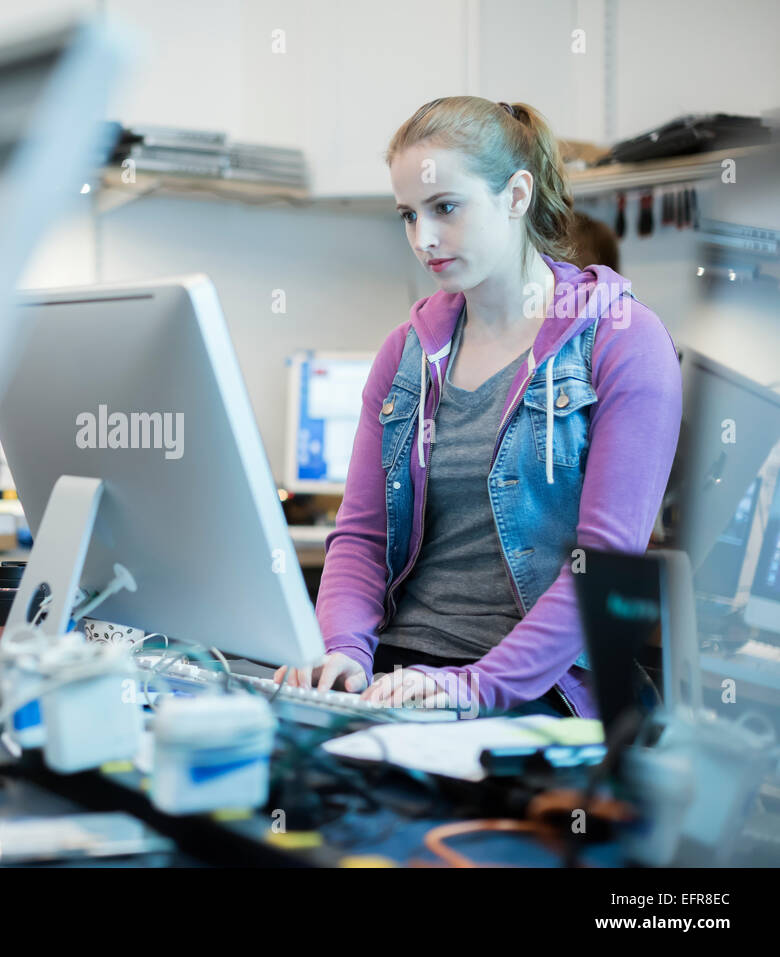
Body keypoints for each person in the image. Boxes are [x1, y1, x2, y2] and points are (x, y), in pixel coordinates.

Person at [275, 97, 681, 718]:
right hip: (399, 674)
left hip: (537, 687)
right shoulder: (404, 353)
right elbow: (360, 535)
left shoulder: (624, 339)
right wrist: (344, 653)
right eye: (408, 216)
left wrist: (474, 685)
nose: (423, 239)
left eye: (445, 208)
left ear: (516, 195)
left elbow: (603, 569)